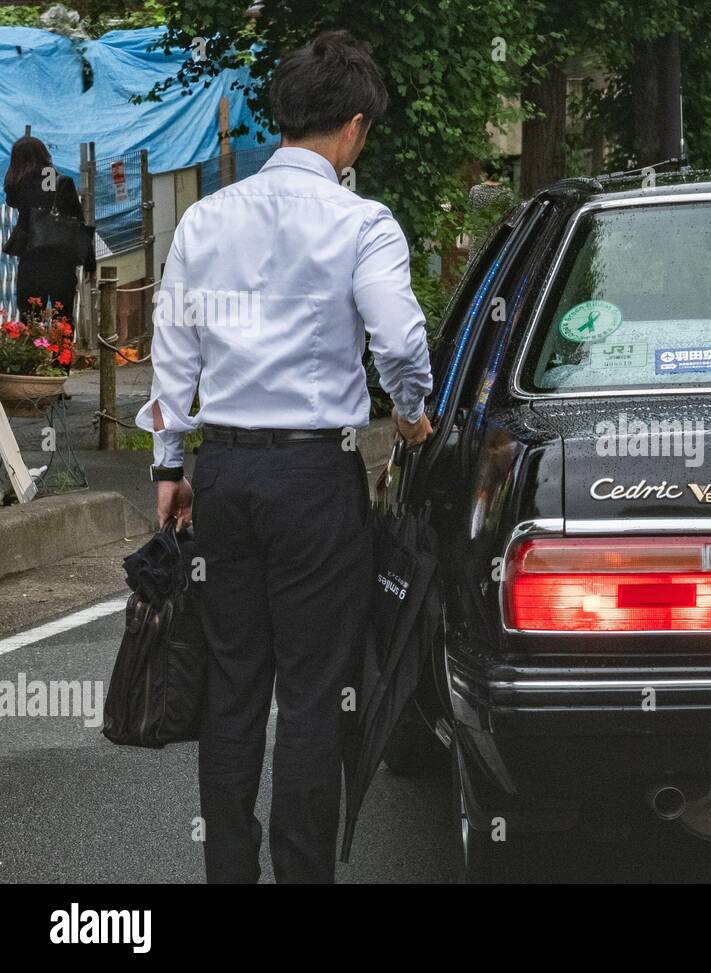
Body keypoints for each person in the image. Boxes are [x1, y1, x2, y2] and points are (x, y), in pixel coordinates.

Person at [137, 29, 434, 884]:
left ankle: (228, 869)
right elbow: (401, 340)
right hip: (313, 479)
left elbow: (174, 353)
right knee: (312, 692)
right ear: (353, 126)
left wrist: (169, 467)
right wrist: (409, 415)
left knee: (234, 682)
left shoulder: (204, 220)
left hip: (223, 473)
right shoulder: (362, 222)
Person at [3, 135, 96, 330]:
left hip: (31, 260)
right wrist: (89, 262)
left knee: (30, 319)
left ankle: (33, 359)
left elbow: (12, 200)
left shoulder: (17, 183)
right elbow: (78, 224)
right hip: (61, 260)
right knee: (62, 320)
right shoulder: (61, 181)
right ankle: (60, 359)